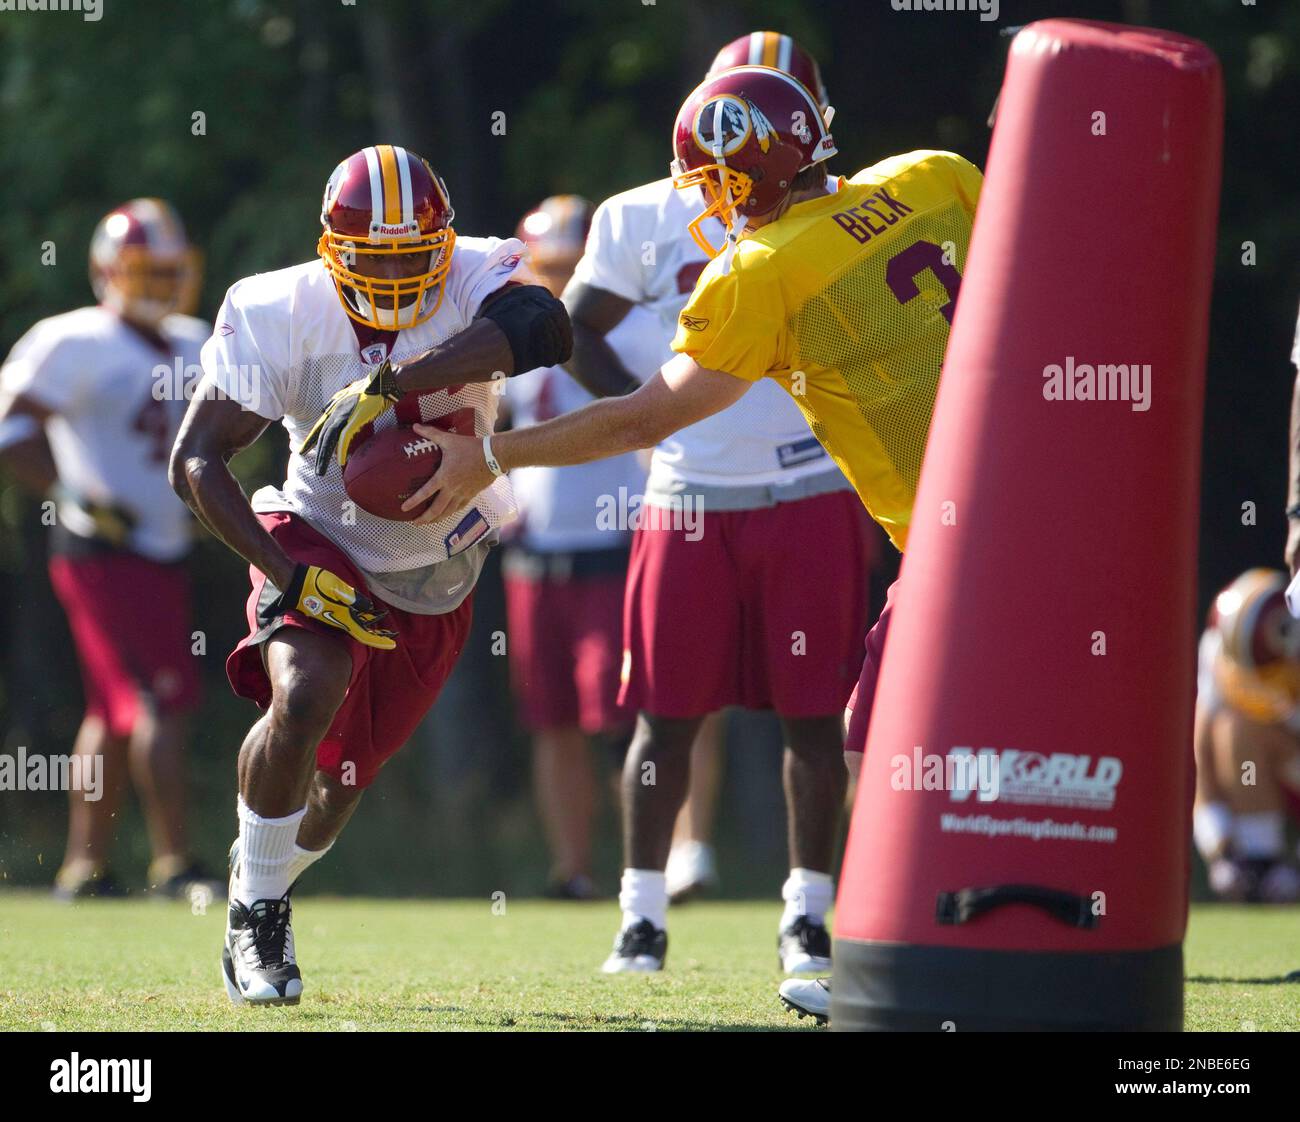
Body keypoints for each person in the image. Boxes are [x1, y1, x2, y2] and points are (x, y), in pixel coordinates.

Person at [386, 67, 983, 990]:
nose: (701, 202)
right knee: (925, 736)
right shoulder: (933, 176)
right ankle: (994, 941)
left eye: (709, 181)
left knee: (879, 741)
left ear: (747, 178)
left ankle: (903, 963)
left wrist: (493, 454)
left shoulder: (763, 269)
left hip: (950, 543)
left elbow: (636, 419)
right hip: (1016, 505)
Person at [169, 144, 570, 1005]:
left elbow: (547, 328)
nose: (393, 277)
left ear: (445, 244)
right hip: (315, 528)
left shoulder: (475, 272)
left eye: (410, 256)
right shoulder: (279, 307)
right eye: (372, 258)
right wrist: (283, 573)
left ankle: (264, 858)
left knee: (338, 790)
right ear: (330, 252)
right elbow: (196, 461)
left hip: (439, 558)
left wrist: (392, 385)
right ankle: (257, 917)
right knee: (305, 690)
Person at [560, 32, 873, 972]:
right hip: (689, 494)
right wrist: (650, 414)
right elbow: (577, 326)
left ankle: (807, 914)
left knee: (815, 715)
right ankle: (642, 913)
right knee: (666, 713)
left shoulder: (852, 214)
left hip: (814, 482)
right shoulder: (641, 217)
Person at [0, 198, 214, 901]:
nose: (156, 285)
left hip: (165, 545)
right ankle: (174, 862)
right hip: (101, 547)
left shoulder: (196, 339)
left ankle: (83, 866)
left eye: (167, 271)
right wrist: (76, 496)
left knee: (113, 707)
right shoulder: (75, 340)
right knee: (161, 696)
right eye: (142, 271)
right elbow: (11, 431)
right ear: (106, 271)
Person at [502, 195, 655, 898]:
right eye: (549, 267)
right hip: (534, 555)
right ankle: (573, 871)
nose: (561, 282)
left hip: (613, 544)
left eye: (573, 267)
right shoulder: (500, 341)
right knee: (552, 721)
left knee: (621, 720)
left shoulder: (624, 330)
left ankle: (640, 868)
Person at [1193, 569, 1300, 902]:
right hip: (1277, 776)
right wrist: (1220, 848)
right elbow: (1202, 761)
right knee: (1235, 727)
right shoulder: (1217, 650)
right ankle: (1259, 860)